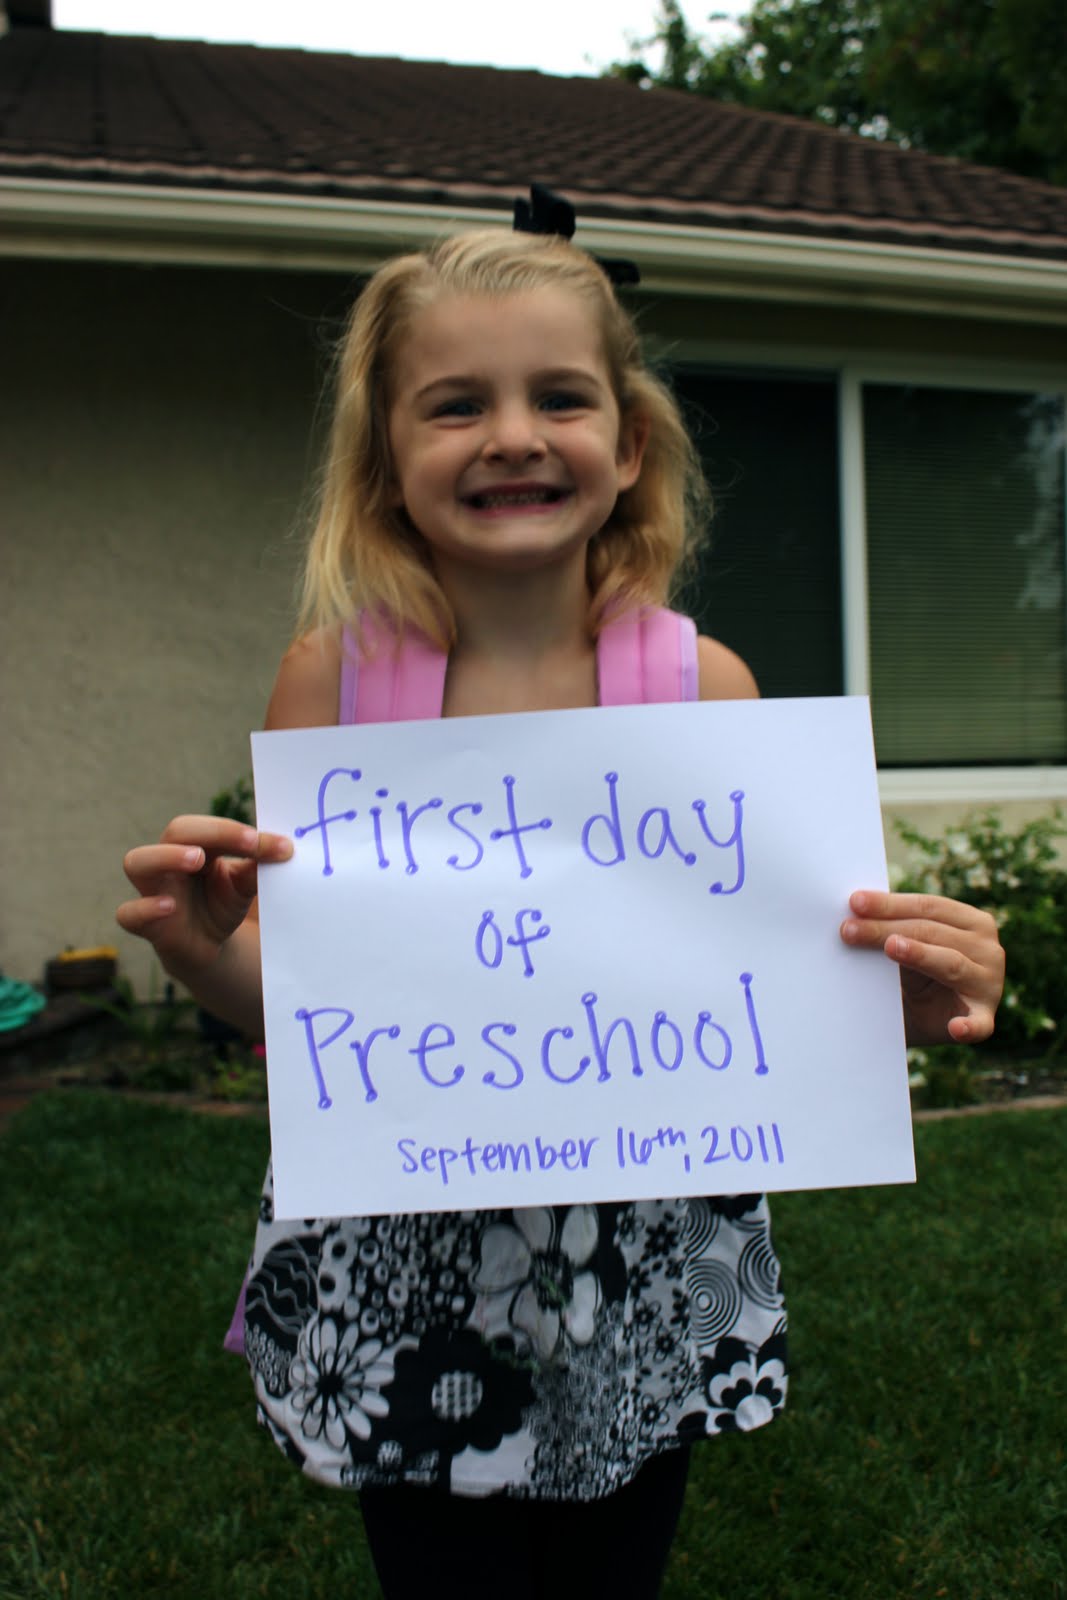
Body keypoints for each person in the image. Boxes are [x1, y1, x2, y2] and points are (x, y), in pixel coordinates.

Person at [117, 225, 1005, 1598]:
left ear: (631, 443)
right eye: (458, 404)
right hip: (403, 1259)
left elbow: (776, 986)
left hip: (637, 1248)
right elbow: (308, 1014)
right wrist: (201, 949)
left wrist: (902, 990)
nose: (513, 436)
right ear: (386, 464)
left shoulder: (706, 688)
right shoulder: (333, 686)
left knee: (612, 1574)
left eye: (561, 397)